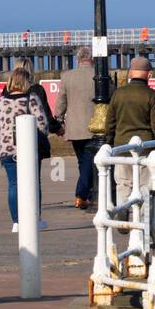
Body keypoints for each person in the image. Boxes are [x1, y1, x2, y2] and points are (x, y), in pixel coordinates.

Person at [0, 66, 50, 233]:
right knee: (34, 183)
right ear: (26, 82)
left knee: (13, 184)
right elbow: (42, 124)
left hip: (6, 150)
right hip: (28, 149)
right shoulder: (31, 99)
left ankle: (17, 222)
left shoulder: (1, 102)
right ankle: (35, 219)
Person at [105, 56, 155, 208]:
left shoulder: (118, 94)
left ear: (130, 72)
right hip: (145, 148)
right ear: (148, 74)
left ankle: (122, 211)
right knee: (145, 186)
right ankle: (142, 222)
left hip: (122, 147)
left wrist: (109, 144)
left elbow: (110, 123)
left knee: (123, 184)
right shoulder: (151, 95)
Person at [56, 46, 99, 210]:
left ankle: (85, 195)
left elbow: (61, 101)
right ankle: (81, 194)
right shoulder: (99, 75)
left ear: (78, 60)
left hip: (74, 127)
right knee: (89, 161)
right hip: (94, 125)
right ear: (92, 59)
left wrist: (59, 120)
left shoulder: (67, 76)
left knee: (83, 161)